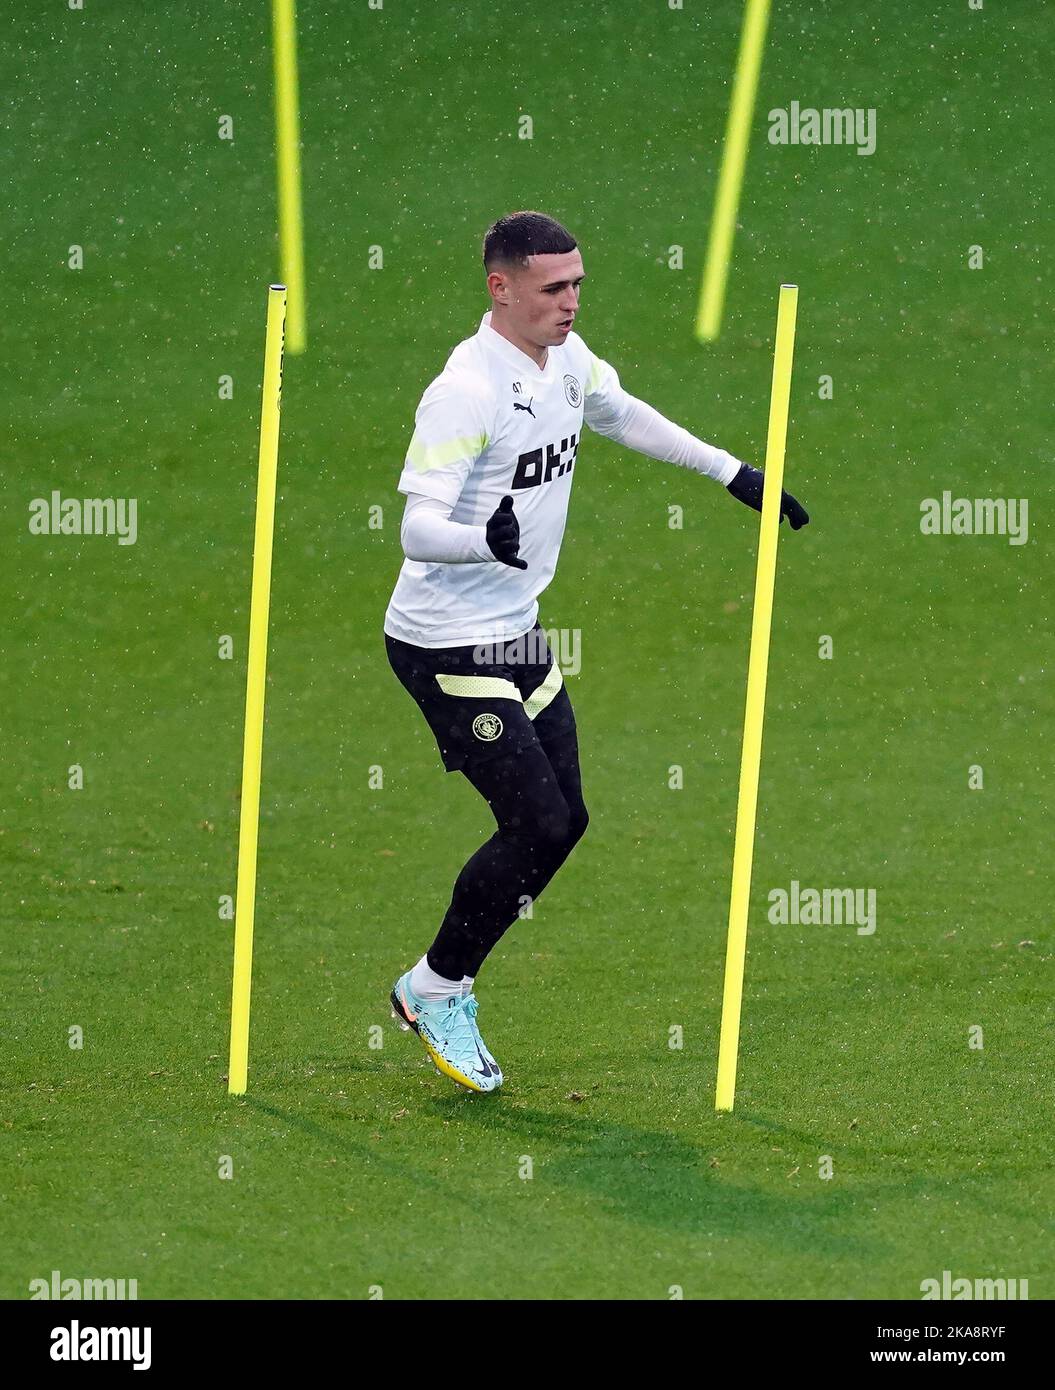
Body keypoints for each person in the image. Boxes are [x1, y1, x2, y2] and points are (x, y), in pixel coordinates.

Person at [383, 210, 808, 1093]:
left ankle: (430, 984)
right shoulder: (465, 390)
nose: (571, 302)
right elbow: (416, 525)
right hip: (442, 640)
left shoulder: (565, 363)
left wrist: (733, 474)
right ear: (500, 288)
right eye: (553, 288)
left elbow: (621, 413)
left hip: (516, 627)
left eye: (577, 284)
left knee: (565, 821)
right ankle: (439, 988)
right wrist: (480, 540)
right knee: (533, 822)